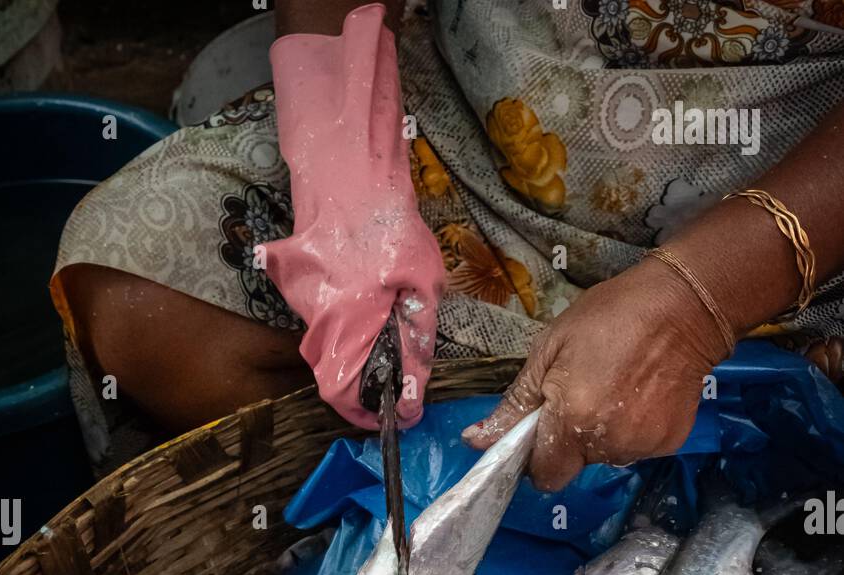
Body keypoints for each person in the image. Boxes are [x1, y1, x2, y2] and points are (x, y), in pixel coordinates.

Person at [52, 0, 844, 490]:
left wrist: (695, 304)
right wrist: (347, 182)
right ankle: (431, 517)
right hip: (460, 143)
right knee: (134, 298)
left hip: (781, 240)